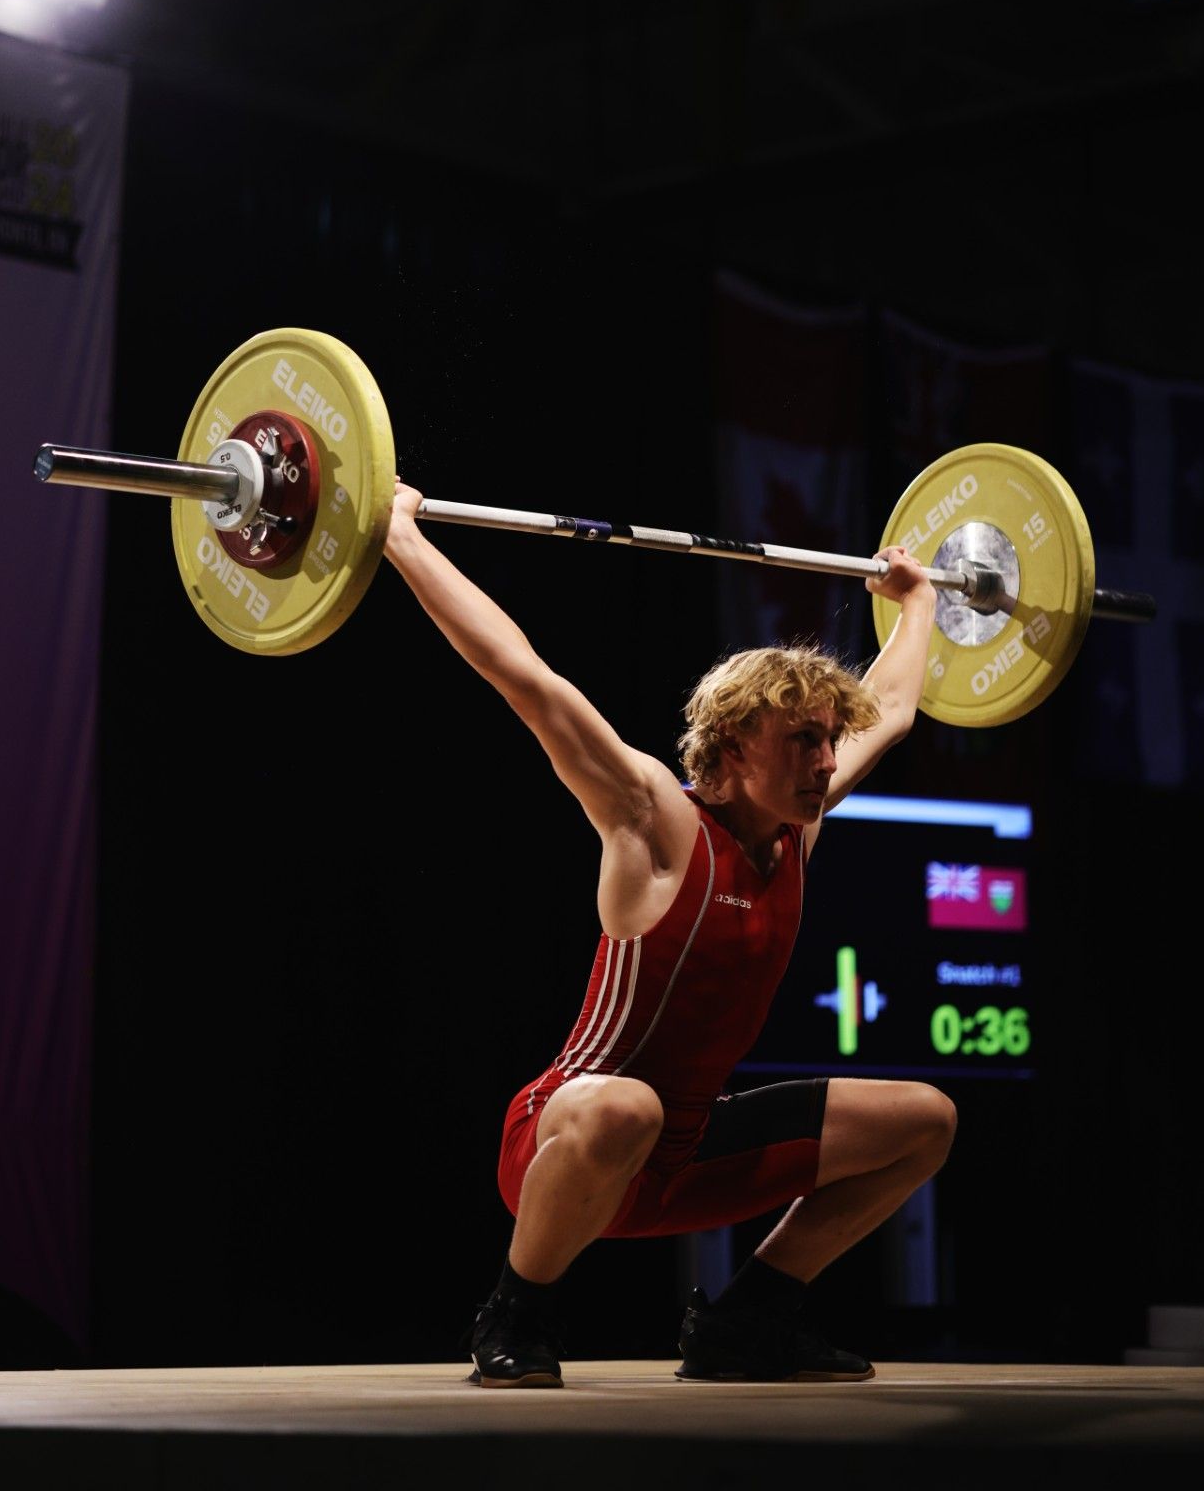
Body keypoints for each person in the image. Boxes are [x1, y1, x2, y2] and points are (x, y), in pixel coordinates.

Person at [384, 482, 954, 1386]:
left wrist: (918, 600)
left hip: (685, 1153)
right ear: (732, 745)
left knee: (925, 1120)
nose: (824, 762)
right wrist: (399, 536)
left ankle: (749, 1320)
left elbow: (890, 710)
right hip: (567, 1136)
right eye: (801, 741)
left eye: (826, 742)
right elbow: (525, 678)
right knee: (629, 1108)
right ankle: (515, 1311)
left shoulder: (795, 831)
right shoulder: (653, 820)